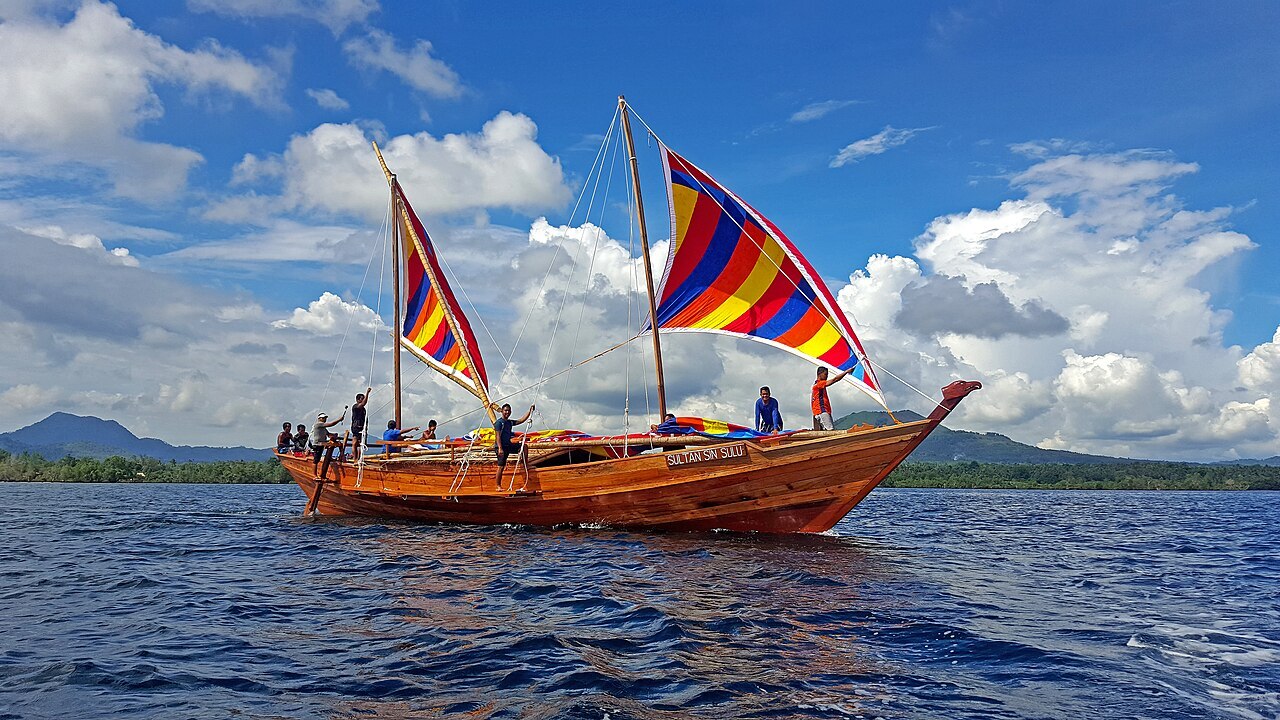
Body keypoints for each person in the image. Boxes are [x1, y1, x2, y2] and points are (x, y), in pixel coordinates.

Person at [493, 403, 534, 490]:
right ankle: (498, 486)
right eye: (505, 410)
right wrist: (500, 448)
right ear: (502, 411)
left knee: (524, 447)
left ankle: (525, 464)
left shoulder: (509, 422)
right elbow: (498, 436)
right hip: (501, 447)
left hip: (508, 445)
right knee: (501, 466)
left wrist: (530, 411)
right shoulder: (499, 423)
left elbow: (521, 420)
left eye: (508, 411)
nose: (507, 412)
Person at [811, 366, 852, 430]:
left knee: (828, 430)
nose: (827, 377)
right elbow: (835, 379)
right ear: (819, 374)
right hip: (822, 412)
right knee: (830, 430)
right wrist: (846, 372)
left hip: (823, 411)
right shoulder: (819, 384)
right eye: (825, 374)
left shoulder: (817, 385)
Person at [311, 408, 346, 475]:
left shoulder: (323, 428)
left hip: (322, 444)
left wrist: (334, 435)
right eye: (323, 418)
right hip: (318, 444)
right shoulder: (318, 424)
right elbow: (331, 424)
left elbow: (328, 434)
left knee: (318, 459)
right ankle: (314, 475)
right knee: (316, 460)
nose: (325, 419)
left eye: (325, 418)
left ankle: (330, 458)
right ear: (319, 419)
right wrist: (339, 420)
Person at [350, 387, 371, 460]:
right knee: (355, 443)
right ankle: (355, 458)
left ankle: (359, 458)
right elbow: (363, 403)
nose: (363, 400)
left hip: (362, 427)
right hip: (356, 427)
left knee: (361, 444)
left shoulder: (363, 409)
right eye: (362, 398)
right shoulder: (356, 406)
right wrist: (367, 393)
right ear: (358, 400)